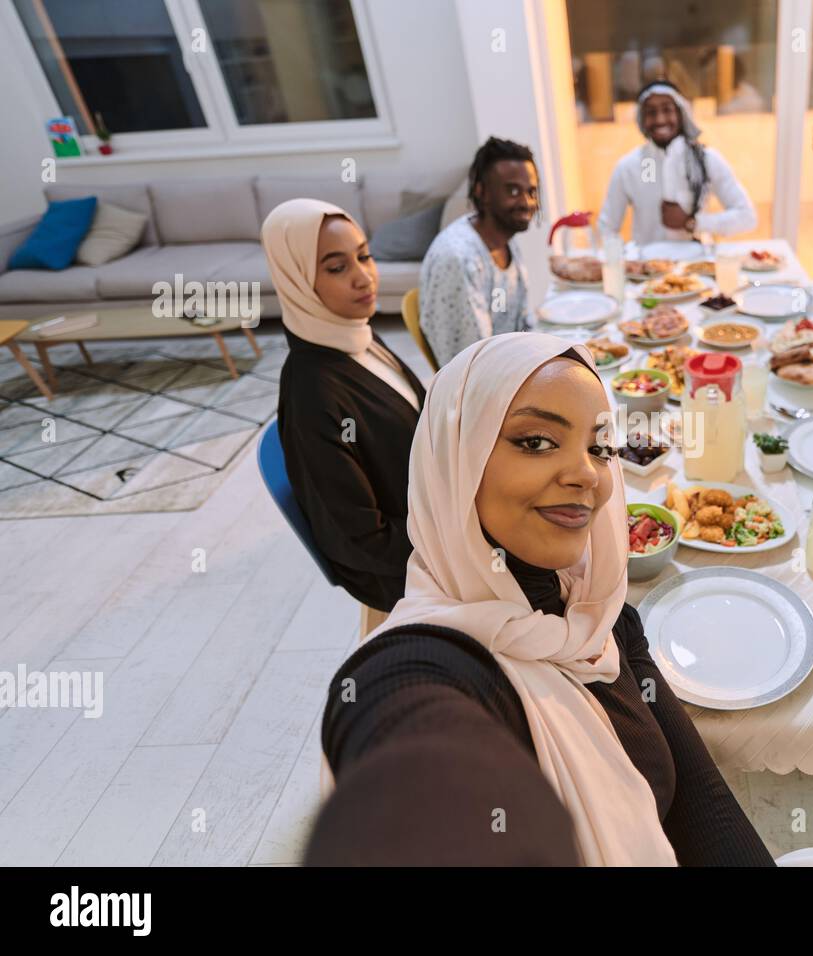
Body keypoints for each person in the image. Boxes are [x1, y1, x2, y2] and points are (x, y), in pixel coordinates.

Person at [311, 333, 775, 866]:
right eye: (535, 441)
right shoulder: (420, 669)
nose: (586, 475)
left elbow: (704, 801)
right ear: (456, 458)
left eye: (600, 448)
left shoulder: (601, 621)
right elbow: (408, 747)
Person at [263, 199, 425, 612]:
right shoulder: (312, 394)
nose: (364, 277)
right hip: (401, 568)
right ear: (297, 279)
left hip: (435, 517)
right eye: (337, 268)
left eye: (364, 256)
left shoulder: (356, 335)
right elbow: (359, 541)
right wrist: (463, 542)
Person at [419, 136, 536, 366]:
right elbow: (472, 366)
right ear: (482, 192)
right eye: (513, 191)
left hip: (513, 367)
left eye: (531, 192)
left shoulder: (505, 238)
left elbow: (521, 325)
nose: (526, 202)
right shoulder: (458, 259)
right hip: (481, 389)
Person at [598, 80, 757, 247]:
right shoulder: (633, 165)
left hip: (696, 265)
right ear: (642, 119)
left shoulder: (705, 160)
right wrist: (623, 259)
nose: (660, 119)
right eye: (651, 112)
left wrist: (693, 222)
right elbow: (606, 227)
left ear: (681, 114)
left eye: (667, 110)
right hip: (647, 267)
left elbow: (747, 217)